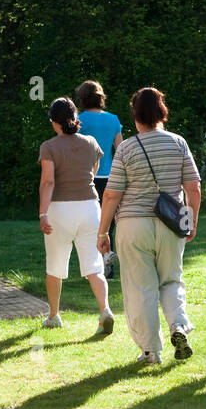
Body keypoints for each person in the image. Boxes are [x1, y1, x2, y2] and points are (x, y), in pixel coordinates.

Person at [98, 87, 200, 365]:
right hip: (170, 224)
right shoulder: (178, 143)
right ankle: (178, 325)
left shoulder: (127, 148)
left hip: (133, 225)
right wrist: (191, 219)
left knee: (140, 288)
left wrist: (103, 230)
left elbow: (111, 194)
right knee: (171, 280)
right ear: (161, 112)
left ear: (135, 116)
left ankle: (150, 351)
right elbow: (193, 187)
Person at [38, 97, 113, 334]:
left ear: (54, 121)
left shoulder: (49, 146)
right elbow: (94, 171)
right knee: (93, 264)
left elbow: (48, 182)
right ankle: (105, 310)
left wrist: (43, 213)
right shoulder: (91, 142)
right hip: (91, 207)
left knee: (55, 265)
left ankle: (53, 316)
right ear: (75, 118)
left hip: (61, 209)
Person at [74, 80, 124, 280]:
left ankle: (95, 267)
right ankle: (108, 265)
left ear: (82, 98)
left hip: (88, 176)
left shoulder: (79, 120)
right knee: (108, 224)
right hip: (111, 176)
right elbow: (120, 148)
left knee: (90, 224)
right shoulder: (113, 119)